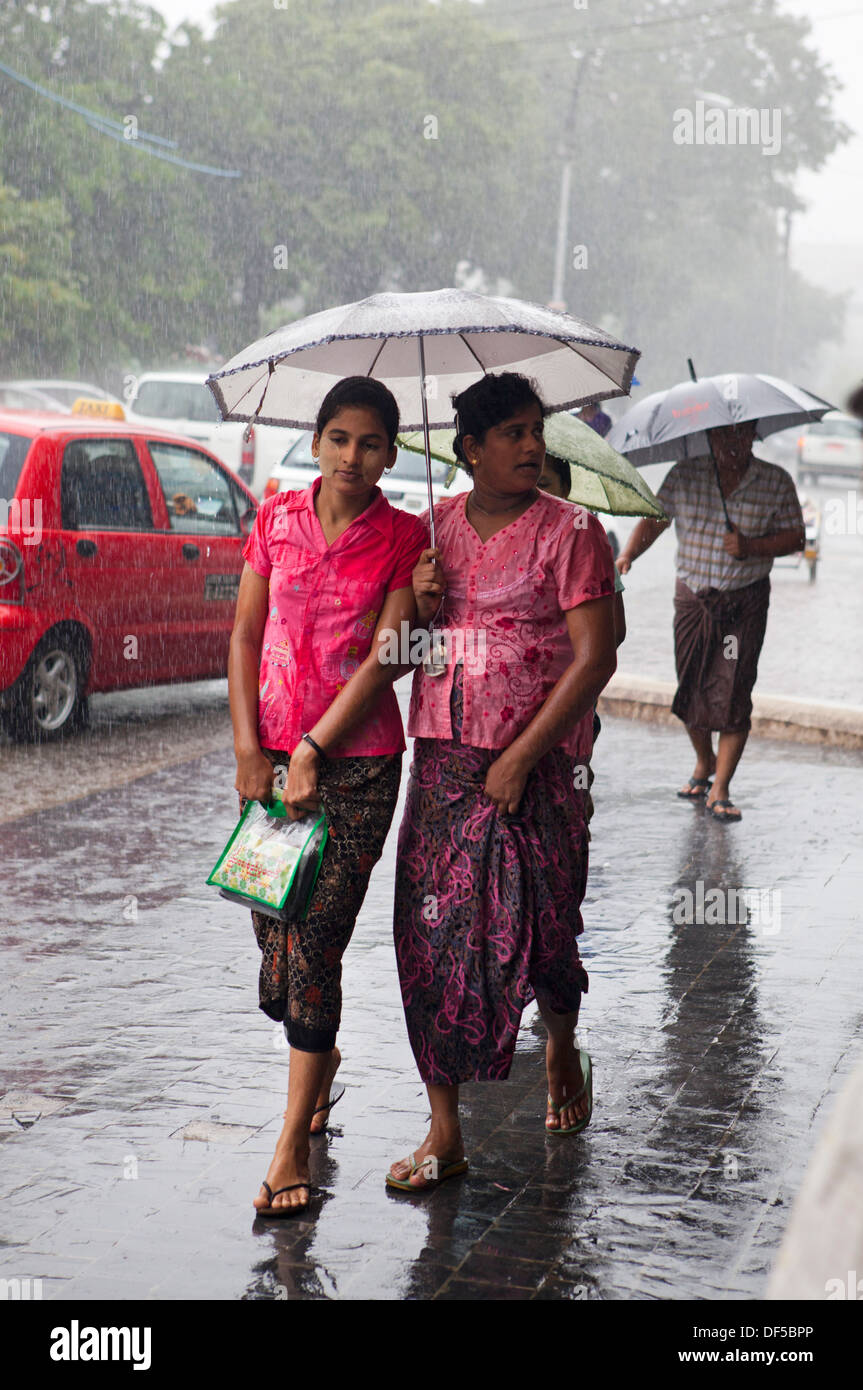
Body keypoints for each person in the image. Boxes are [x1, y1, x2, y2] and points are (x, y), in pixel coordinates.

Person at [387, 372, 618, 1192]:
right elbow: (396, 650)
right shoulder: (432, 528)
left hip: (543, 763)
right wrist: (415, 603)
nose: (532, 447)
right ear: (471, 450)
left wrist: (521, 758)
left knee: (546, 927)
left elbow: (596, 657)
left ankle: (559, 1046)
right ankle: (444, 1128)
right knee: (428, 935)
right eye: (513, 434)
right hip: (444, 757)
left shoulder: (573, 531)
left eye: (536, 431)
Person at [229, 376, 427, 1216]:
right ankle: (321, 1054)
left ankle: (287, 1151)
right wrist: (251, 748)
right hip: (270, 761)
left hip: (358, 766)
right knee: (275, 955)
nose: (354, 456)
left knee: (314, 949)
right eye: (340, 438)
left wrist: (316, 748)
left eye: (372, 442)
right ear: (316, 442)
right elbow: (242, 633)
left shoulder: (406, 539)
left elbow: (394, 654)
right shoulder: (274, 518)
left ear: (390, 452)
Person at [616, 422, 805, 821]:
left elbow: (796, 539)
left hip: (746, 599)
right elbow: (654, 519)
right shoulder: (685, 473)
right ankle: (705, 762)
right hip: (693, 599)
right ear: (709, 437)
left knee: (736, 689)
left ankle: (721, 786)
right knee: (691, 684)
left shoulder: (775, 480)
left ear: (754, 434)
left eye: (740, 435)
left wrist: (751, 547)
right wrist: (628, 555)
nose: (731, 443)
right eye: (723, 435)